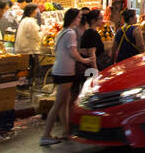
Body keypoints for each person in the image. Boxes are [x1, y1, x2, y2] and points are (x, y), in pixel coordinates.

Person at [42, 8, 92, 146]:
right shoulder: (70, 33)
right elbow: (73, 53)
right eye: (78, 17)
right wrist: (84, 60)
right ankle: (46, 135)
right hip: (65, 72)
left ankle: (66, 131)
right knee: (58, 104)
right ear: (73, 18)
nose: (80, 19)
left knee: (65, 102)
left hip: (59, 70)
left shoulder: (62, 32)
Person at [74, 9, 107, 98]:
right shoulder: (93, 33)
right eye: (100, 18)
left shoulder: (88, 32)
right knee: (92, 93)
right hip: (91, 68)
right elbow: (91, 53)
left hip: (88, 68)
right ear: (93, 20)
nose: (102, 20)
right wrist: (96, 71)